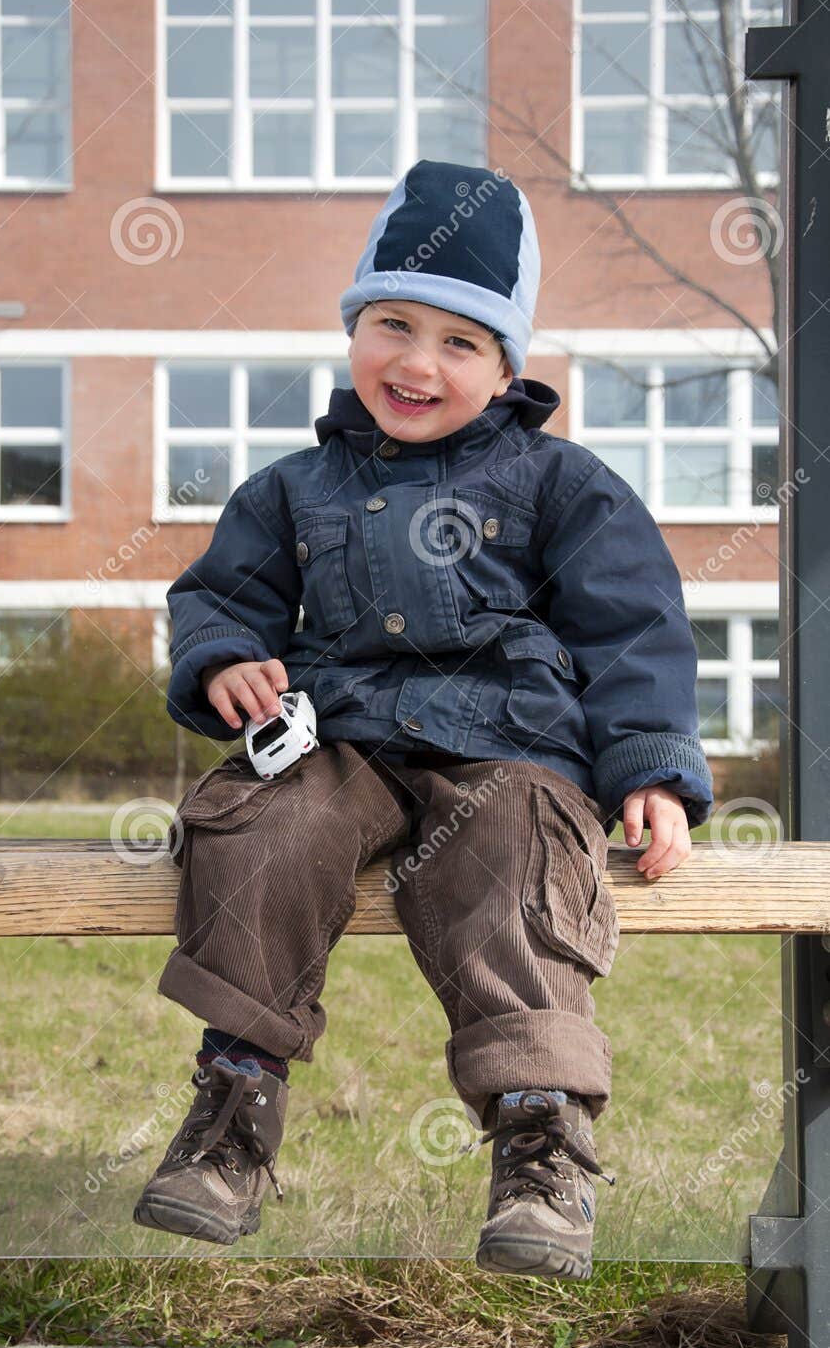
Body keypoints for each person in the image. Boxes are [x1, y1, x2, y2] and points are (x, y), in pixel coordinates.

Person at [132, 160, 713, 1280]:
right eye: (392, 323)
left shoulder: (559, 484)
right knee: (262, 826)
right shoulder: (291, 490)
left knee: (511, 865)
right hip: (337, 737)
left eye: (460, 342)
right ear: (354, 331)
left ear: (504, 371)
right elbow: (219, 597)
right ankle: (232, 1112)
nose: (416, 361)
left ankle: (540, 1140)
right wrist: (227, 660)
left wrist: (648, 767)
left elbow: (632, 627)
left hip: (507, 744)